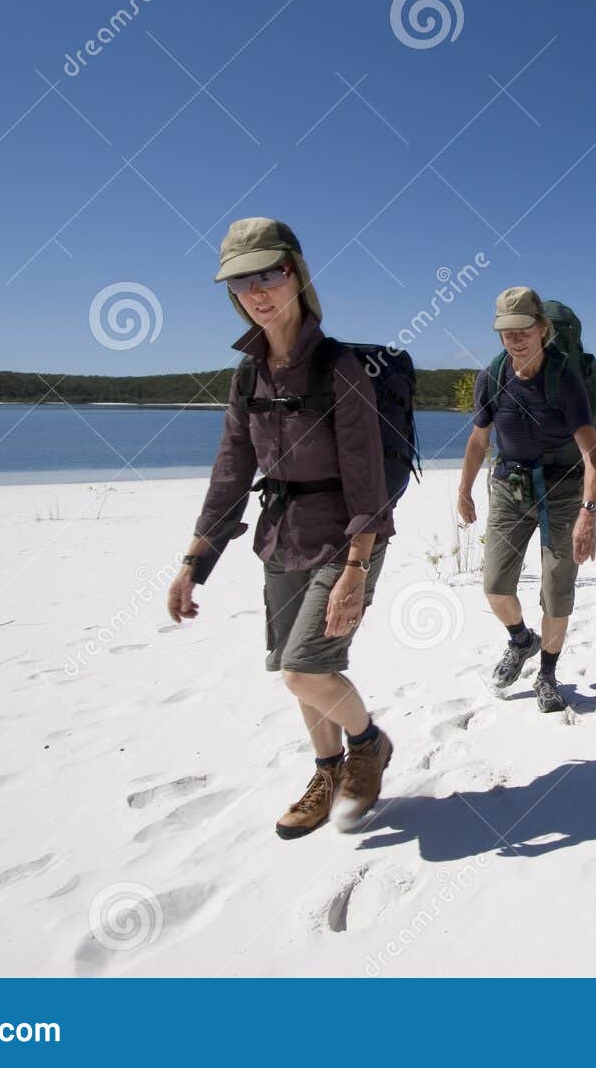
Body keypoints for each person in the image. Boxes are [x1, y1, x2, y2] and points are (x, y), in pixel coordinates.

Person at [166, 217, 396, 840]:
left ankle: (368, 745)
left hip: (347, 538)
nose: (258, 291)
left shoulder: (340, 367)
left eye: (270, 273)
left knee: (303, 668)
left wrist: (355, 570)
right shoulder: (248, 375)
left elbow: (368, 481)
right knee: (291, 670)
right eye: (242, 282)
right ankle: (327, 772)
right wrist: (195, 561)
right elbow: (231, 471)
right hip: (280, 538)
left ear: (295, 273)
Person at [457, 287, 596, 712]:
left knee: (556, 592)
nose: (516, 338)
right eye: (507, 331)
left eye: (524, 328)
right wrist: (464, 489)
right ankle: (522, 639)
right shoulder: (493, 375)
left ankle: (547, 674)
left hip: (563, 491)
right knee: (495, 586)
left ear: (542, 329)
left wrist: (588, 514)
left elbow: (592, 456)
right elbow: (478, 440)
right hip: (508, 487)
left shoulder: (564, 379)